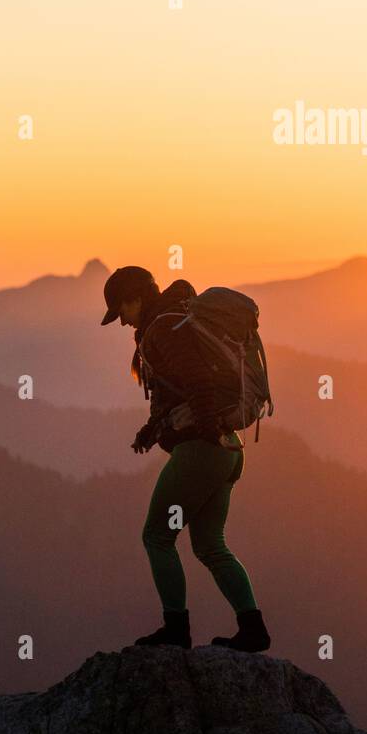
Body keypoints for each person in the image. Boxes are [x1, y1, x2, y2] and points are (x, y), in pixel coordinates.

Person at [101, 265, 270, 653]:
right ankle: (253, 629)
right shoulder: (177, 320)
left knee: (157, 536)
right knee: (210, 545)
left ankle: (175, 630)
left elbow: (198, 380)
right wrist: (151, 430)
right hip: (228, 450)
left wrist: (206, 429)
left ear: (135, 298)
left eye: (122, 311)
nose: (123, 322)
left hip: (203, 449)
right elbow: (180, 388)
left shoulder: (162, 328)